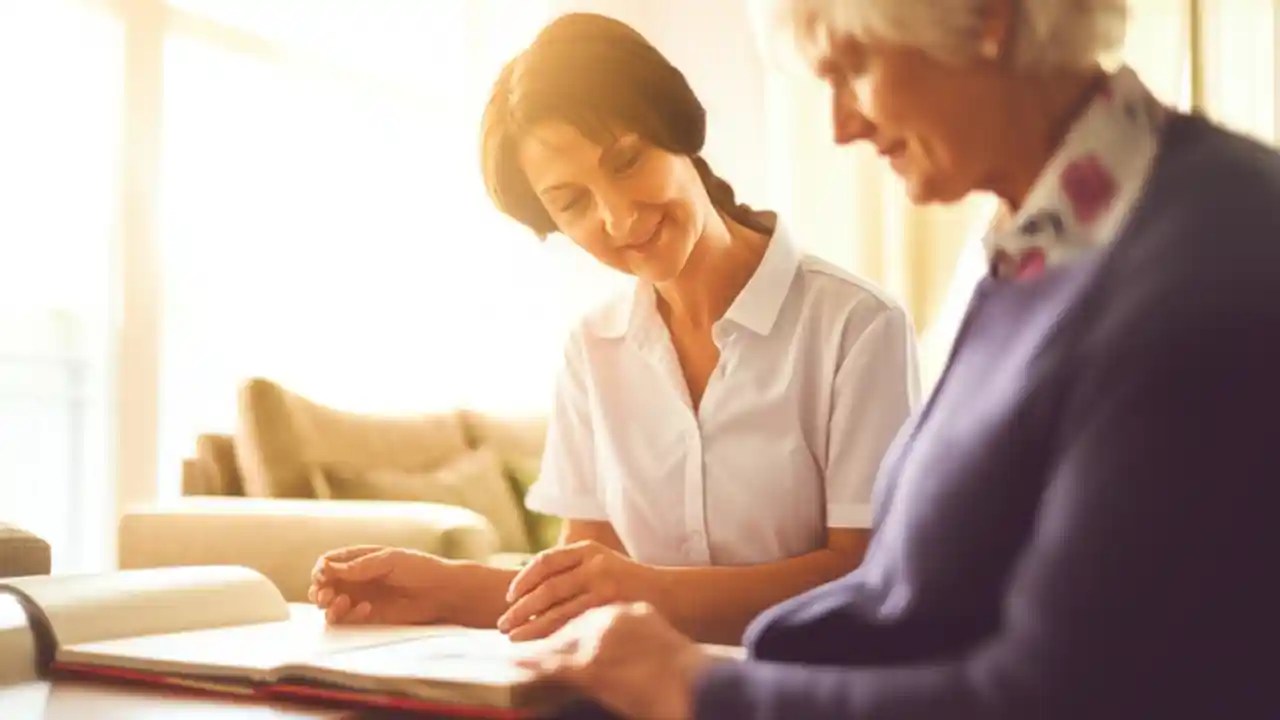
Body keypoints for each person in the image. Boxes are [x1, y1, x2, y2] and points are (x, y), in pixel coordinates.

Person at [517, 0, 1280, 718]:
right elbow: (905, 598)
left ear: (986, 19)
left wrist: (697, 686)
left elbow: (1057, 696)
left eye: (855, 67)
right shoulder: (1032, 248)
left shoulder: (1207, 261)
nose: (842, 126)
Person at [307, 12, 918, 645]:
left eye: (627, 161)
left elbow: (870, 577)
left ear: (676, 129)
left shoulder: (856, 325)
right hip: (639, 684)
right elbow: (580, 584)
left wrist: (653, 593)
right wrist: (446, 590)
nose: (620, 218)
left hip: (802, 685)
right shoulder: (592, 348)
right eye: (572, 202)